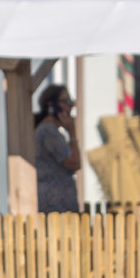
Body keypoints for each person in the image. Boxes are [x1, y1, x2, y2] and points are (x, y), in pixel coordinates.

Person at [34, 84, 81, 213]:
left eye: (70, 102)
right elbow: (74, 163)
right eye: (66, 102)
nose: (70, 106)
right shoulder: (49, 131)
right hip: (55, 206)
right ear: (51, 104)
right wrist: (72, 133)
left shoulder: (50, 130)